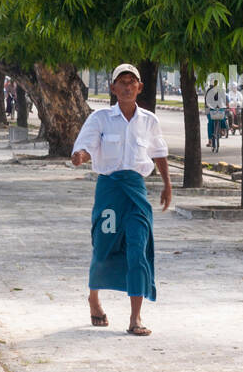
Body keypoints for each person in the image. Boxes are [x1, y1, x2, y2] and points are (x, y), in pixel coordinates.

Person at [71, 64, 171, 337]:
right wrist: (80, 156)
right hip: (109, 193)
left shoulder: (149, 120)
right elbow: (87, 147)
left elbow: (159, 152)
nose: (127, 86)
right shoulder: (100, 118)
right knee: (103, 245)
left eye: (132, 82)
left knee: (138, 248)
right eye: (122, 82)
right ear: (112, 88)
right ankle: (94, 298)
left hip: (136, 194)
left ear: (139, 87)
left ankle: (135, 317)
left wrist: (167, 184)